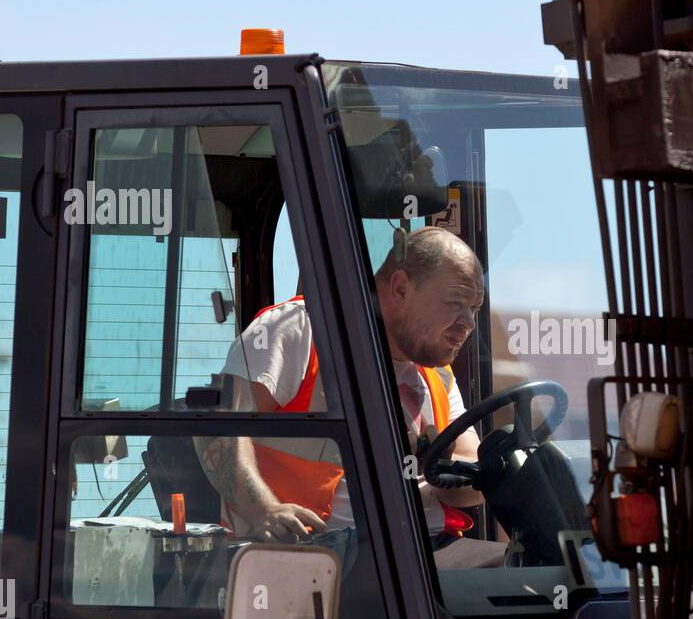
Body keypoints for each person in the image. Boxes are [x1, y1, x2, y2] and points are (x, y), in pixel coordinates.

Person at [194, 227, 484, 542]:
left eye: (474, 309)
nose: (468, 322)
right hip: (321, 555)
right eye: (456, 303)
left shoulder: (438, 374)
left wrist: (448, 468)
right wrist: (263, 510)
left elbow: (473, 477)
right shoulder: (299, 331)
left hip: (424, 552)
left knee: (521, 576)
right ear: (400, 288)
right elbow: (217, 427)